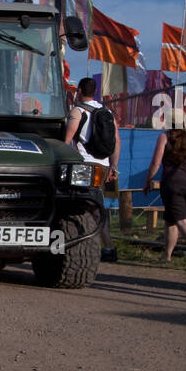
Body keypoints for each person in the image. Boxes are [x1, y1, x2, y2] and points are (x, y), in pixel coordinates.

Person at [64, 77, 121, 263]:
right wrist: (113, 166)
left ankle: (83, 245)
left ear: (79, 90)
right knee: (97, 205)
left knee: (79, 205)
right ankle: (108, 247)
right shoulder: (107, 112)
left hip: (84, 165)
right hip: (103, 165)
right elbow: (116, 142)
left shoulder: (78, 111)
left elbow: (67, 141)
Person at [144, 128, 186, 262]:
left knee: (183, 221)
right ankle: (166, 256)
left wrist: (148, 180)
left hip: (172, 184)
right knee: (171, 221)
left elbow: (156, 162)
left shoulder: (164, 137)